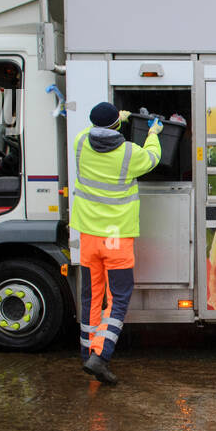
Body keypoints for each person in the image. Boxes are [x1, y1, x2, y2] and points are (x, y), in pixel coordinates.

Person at [70, 102, 163, 385]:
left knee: (91, 297)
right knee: (119, 297)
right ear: (117, 126)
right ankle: (101, 355)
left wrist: (114, 119)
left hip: (88, 236)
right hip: (116, 238)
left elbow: (94, 130)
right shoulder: (128, 153)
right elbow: (153, 158)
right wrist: (154, 132)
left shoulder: (80, 142)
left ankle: (88, 354)